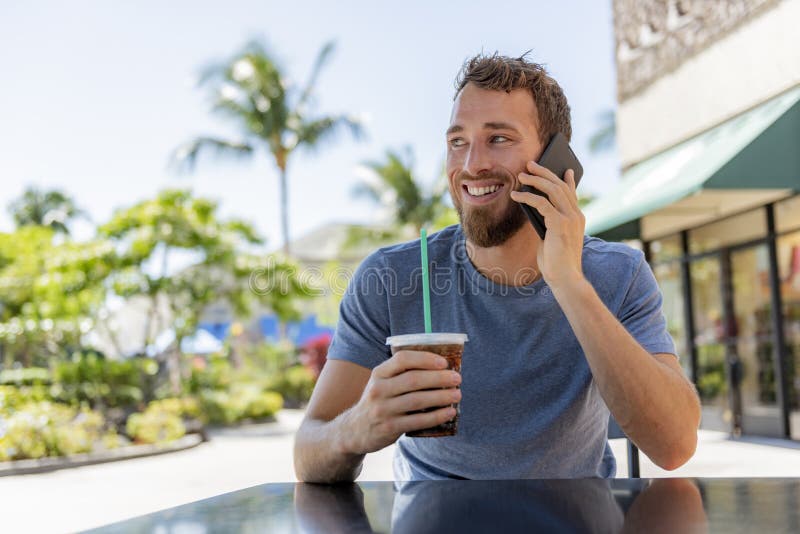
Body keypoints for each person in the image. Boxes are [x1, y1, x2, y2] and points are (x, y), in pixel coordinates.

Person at [293, 52, 701, 482]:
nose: (471, 165)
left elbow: (674, 446)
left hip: (575, 518)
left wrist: (569, 282)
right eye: (457, 142)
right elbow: (308, 452)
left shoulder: (618, 274)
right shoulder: (391, 278)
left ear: (553, 160)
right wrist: (356, 428)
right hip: (434, 519)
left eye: (499, 139)